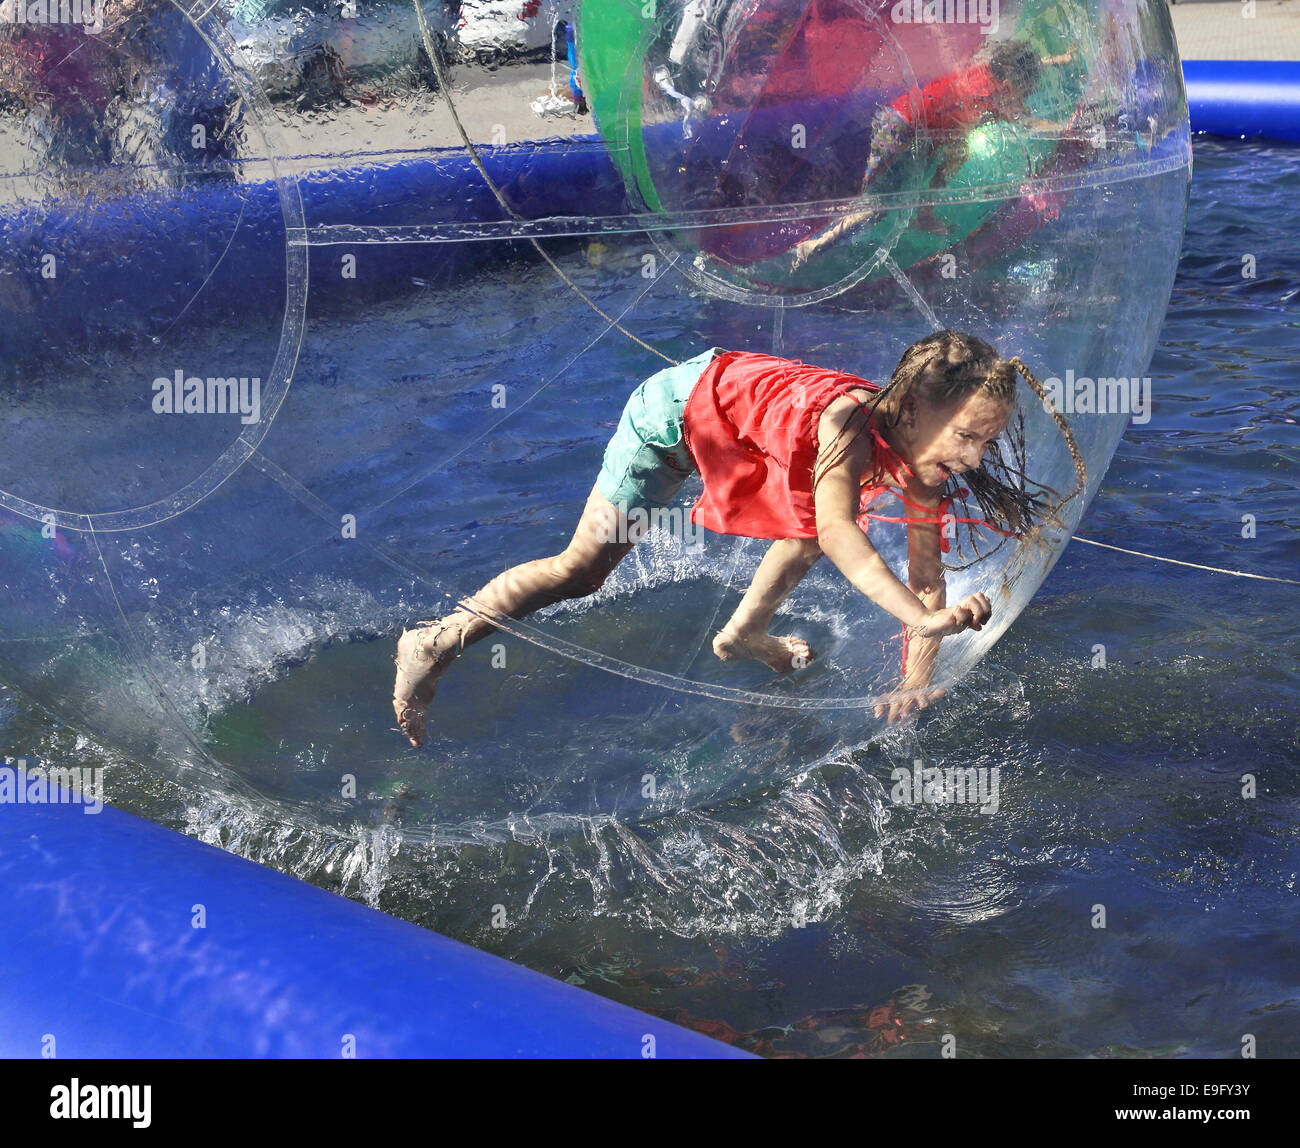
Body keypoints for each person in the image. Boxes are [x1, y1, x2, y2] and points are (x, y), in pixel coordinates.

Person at [392, 330, 1084, 746]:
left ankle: (743, 636)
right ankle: (436, 639)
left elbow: (927, 574)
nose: (971, 458)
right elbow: (844, 535)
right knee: (582, 571)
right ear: (907, 407)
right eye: (966, 436)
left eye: (985, 442)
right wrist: (921, 617)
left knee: (805, 526)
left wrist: (914, 680)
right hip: (672, 420)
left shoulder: (917, 453)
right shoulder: (847, 428)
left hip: (743, 431)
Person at [792, 41, 1073, 265]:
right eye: (1026, 88)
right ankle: (809, 244)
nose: (1027, 94)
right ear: (1011, 83)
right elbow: (1023, 120)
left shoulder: (991, 72)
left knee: (943, 162)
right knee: (873, 201)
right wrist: (1066, 129)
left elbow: (1012, 82)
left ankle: (922, 213)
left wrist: (1058, 60)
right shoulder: (989, 93)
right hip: (902, 128)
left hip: (912, 125)